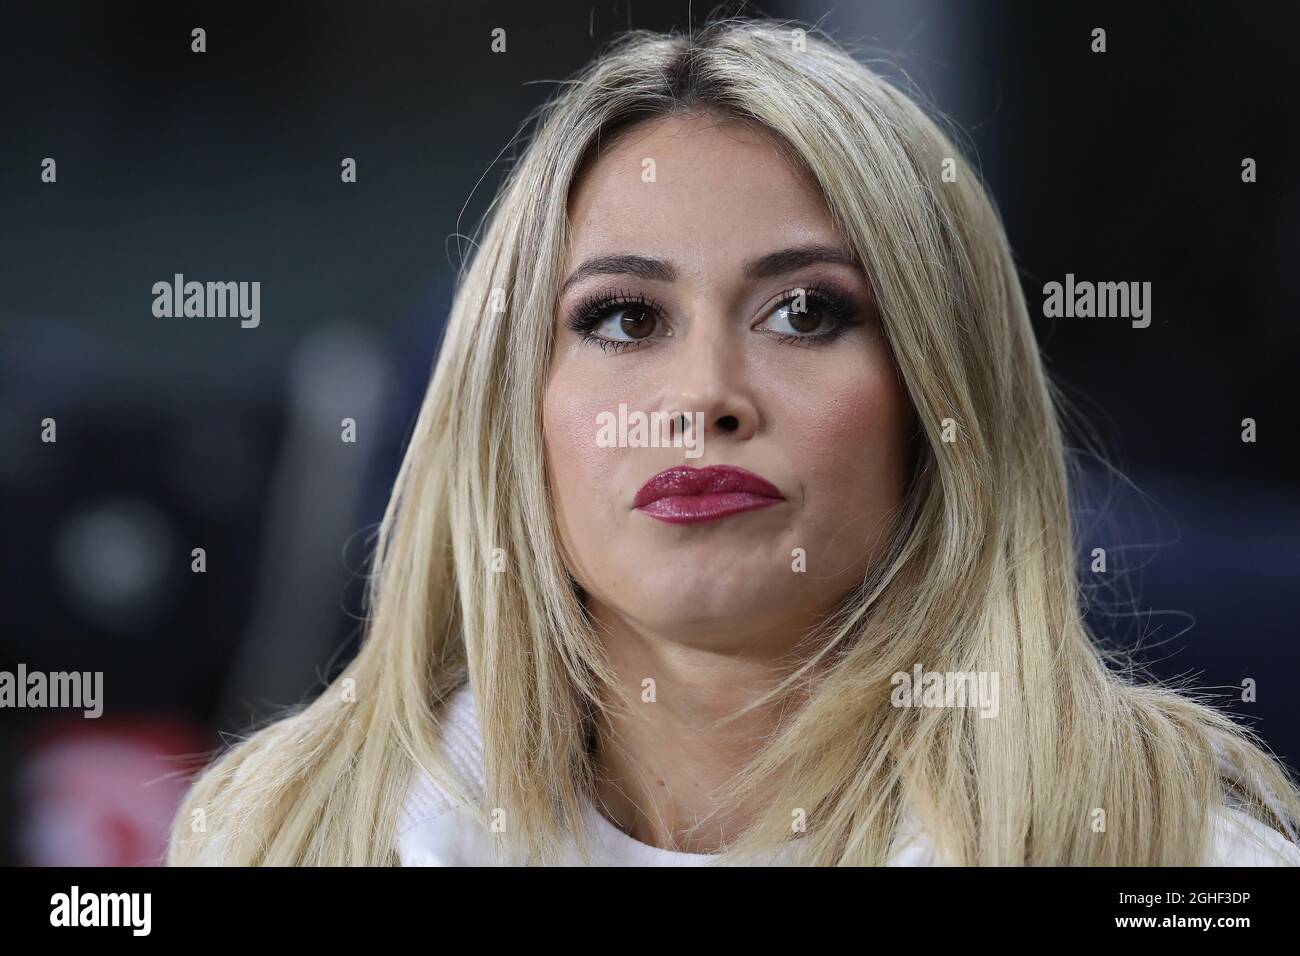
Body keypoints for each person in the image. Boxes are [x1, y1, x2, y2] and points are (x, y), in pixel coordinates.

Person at [168, 17, 1300, 866]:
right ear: (510, 411)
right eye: (623, 318)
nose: (704, 396)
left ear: (939, 400)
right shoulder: (274, 833)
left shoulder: (1179, 853)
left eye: (806, 312)